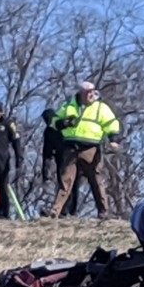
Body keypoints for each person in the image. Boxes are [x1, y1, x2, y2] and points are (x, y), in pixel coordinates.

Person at [48, 81, 122, 220]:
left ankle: (103, 212)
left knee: (95, 179)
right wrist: (63, 123)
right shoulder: (69, 106)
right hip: (70, 147)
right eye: (88, 92)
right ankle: (55, 211)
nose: (91, 95)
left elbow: (111, 124)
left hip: (91, 148)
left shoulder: (101, 108)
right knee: (66, 180)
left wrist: (114, 139)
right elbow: (54, 121)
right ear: (81, 93)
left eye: (93, 92)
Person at [41, 108, 79, 217]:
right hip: (60, 158)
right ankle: (64, 210)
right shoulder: (48, 131)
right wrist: (46, 170)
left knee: (72, 184)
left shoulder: (61, 125)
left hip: (71, 156)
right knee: (65, 184)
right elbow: (47, 152)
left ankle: (70, 210)